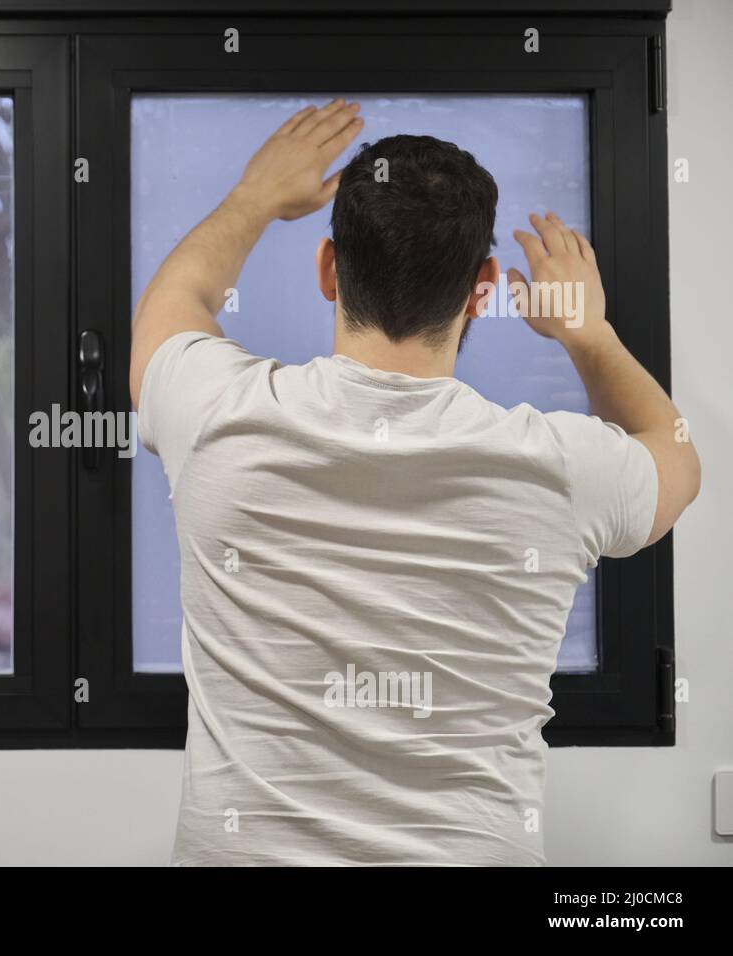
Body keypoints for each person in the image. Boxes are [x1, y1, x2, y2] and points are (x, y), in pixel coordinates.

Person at [130, 99, 701, 865]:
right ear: (485, 289)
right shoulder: (562, 469)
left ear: (329, 271)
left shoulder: (216, 416)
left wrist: (253, 198)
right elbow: (675, 454)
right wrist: (585, 329)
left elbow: (172, 309)